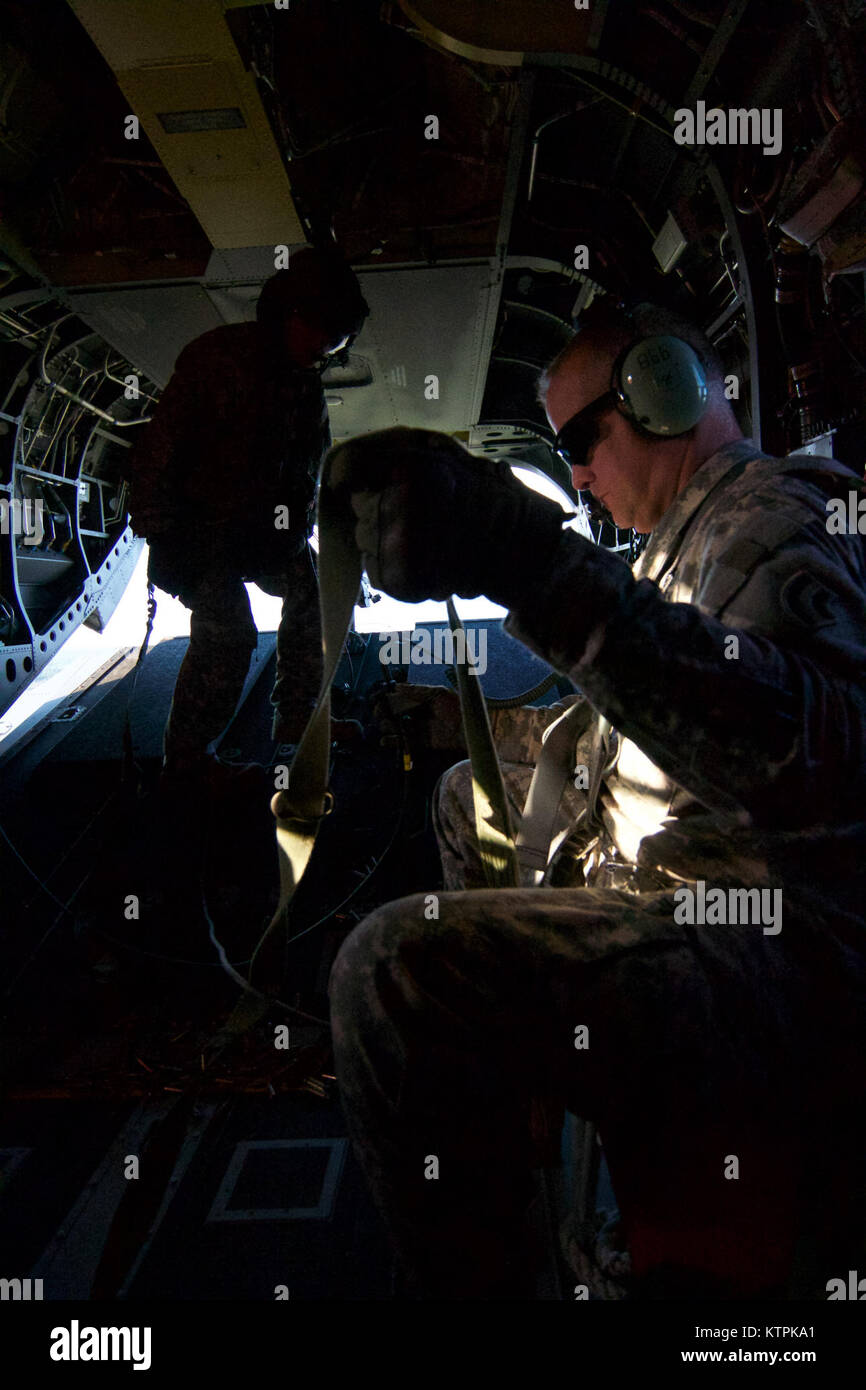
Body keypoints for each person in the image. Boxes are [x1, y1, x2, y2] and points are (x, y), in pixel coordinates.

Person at [325, 299, 866, 1299]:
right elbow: (632, 738)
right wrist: (461, 723)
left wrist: (526, 562)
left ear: (667, 392)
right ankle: (518, 1126)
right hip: (682, 898)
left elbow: (799, 753)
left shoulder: (772, 516)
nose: (573, 475)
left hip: (777, 954)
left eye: (580, 439)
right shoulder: (685, 543)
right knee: (462, 798)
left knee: (396, 971)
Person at [127, 245, 369, 787]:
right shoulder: (216, 359)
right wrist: (162, 535)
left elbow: (308, 467)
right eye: (326, 336)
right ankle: (185, 759)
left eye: (338, 343)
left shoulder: (303, 384)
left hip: (261, 534)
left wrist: (295, 531)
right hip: (195, 537)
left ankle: (300, 719)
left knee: (318, 595)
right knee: (229, 634)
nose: (328, 352)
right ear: (293, 313)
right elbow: (156, 452)